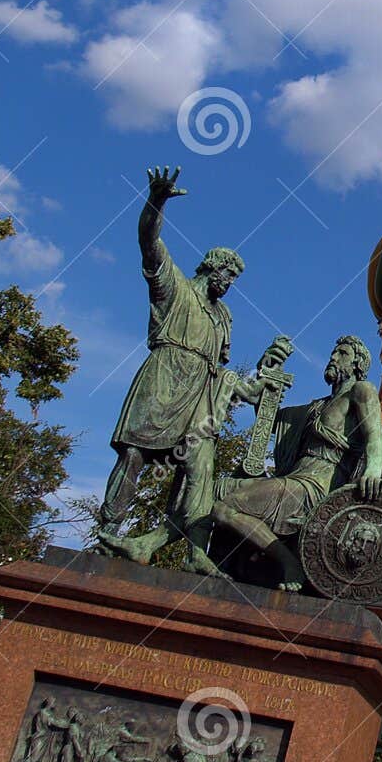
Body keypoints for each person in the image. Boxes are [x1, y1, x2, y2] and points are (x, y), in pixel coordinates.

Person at [96, 166, 288, 573]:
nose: (230, 282)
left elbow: (223, 375)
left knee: (199, 471)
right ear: (209, 267)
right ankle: (108, 530)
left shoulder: (224, 318)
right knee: (134, 454)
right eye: (227, 273)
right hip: (164, 378)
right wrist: (157, 200)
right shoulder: (175, 288)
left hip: (200, 396)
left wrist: (260, 385)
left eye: (235, 278)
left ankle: (195, 552)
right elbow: (149, 241)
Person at [209, 336, 382, 591]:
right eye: (333, 353)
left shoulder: (362, 391)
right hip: (294, 479)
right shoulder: (317, 406)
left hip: (315, 487)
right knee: (218, 488)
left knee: (222, 508)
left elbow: (375, 436)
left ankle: (290, 564)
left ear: (357, 364)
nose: (333, 358)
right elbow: (270, 418)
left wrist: (373, 470)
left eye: (342, 354)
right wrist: (267, 370)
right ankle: (214, 570)